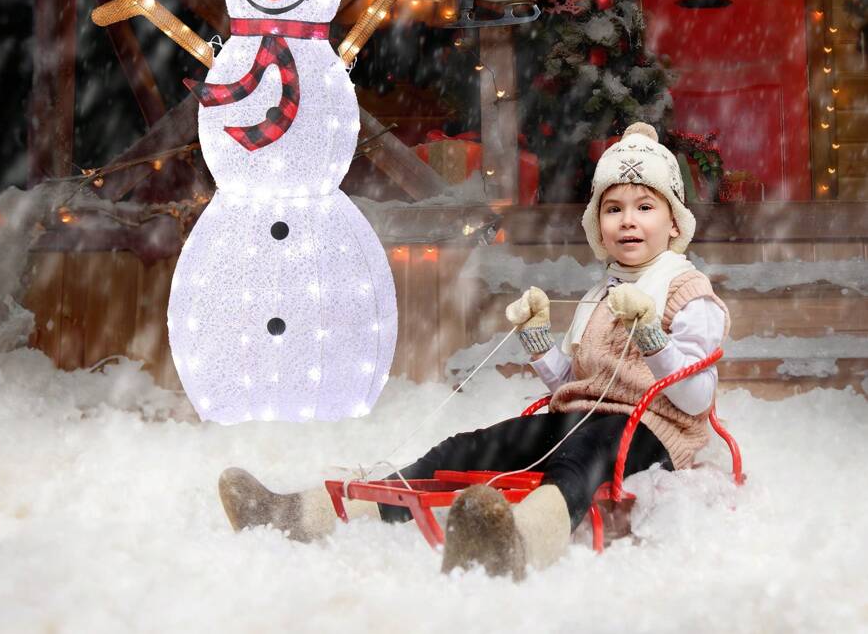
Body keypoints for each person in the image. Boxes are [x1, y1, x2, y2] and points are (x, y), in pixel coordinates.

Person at [217, 122, 729, 579]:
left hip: (652, 428)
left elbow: (695, 399)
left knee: (582, 457)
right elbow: (576, 386)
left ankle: (521, 540)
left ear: (674, 223)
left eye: (645, 208)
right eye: (613, 209)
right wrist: (537, 339)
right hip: (584, 416)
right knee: (473, 445)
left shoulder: (685, 289)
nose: (628, 221)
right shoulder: (601, 295)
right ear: (599, 226)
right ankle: (308, 515)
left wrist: (651, 337)